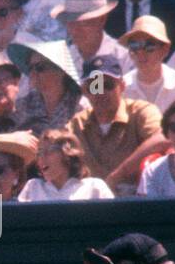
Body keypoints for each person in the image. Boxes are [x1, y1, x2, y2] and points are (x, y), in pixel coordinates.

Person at [69, 54, 164, 194]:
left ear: (122, 86)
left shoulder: (141, 112)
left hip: (135, 199)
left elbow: (163, 138)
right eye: (94, 86)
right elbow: (56, 149)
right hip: (91, 202)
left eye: (107, 85)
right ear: (85, 91)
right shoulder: (77, 123)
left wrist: (119, 174)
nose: (100, 93)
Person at [9, 40, 85, 135]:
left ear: (61, 71)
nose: (33, 73)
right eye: (30, 68)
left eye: (40, 67)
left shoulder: (79, 105)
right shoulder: (24, 105)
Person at [18, 128, 113, 203]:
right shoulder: (33, 187)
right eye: (39, 153)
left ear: (67, 154)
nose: (41, 158)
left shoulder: (94, 187)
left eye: (48, 151)